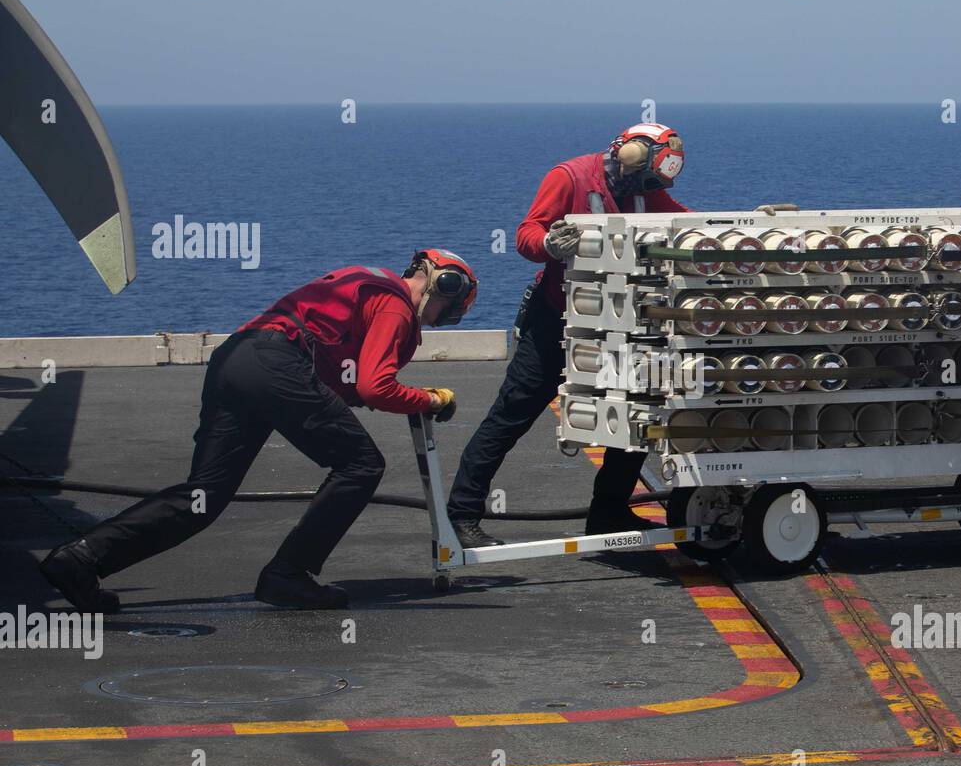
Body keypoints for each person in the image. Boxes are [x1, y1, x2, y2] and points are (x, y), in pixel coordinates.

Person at [39, 251, 477, 611]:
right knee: (361, 464)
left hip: (239, 358)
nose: (435, 322)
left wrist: (388, 394)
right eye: (445, 313)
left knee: (203, 496)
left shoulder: (366, 281)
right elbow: (374, 386)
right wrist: (431, 400)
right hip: (277, 364)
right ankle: (288, 574)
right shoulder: (396, 304)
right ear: (445, 284)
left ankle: (81, 559)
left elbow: (345, 381)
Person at [444, 123, 690, 548]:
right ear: (630, 153)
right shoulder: (570, 177)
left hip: (619, 323)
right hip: (556, 319)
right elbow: (526, 235)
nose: (647, 188)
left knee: (636, 414)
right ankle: (461, 516)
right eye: (645, 177)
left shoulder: (643, 187)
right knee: (510, 416)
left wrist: (742, 225)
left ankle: (609, 511)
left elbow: (681, 220)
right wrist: (551, 245)